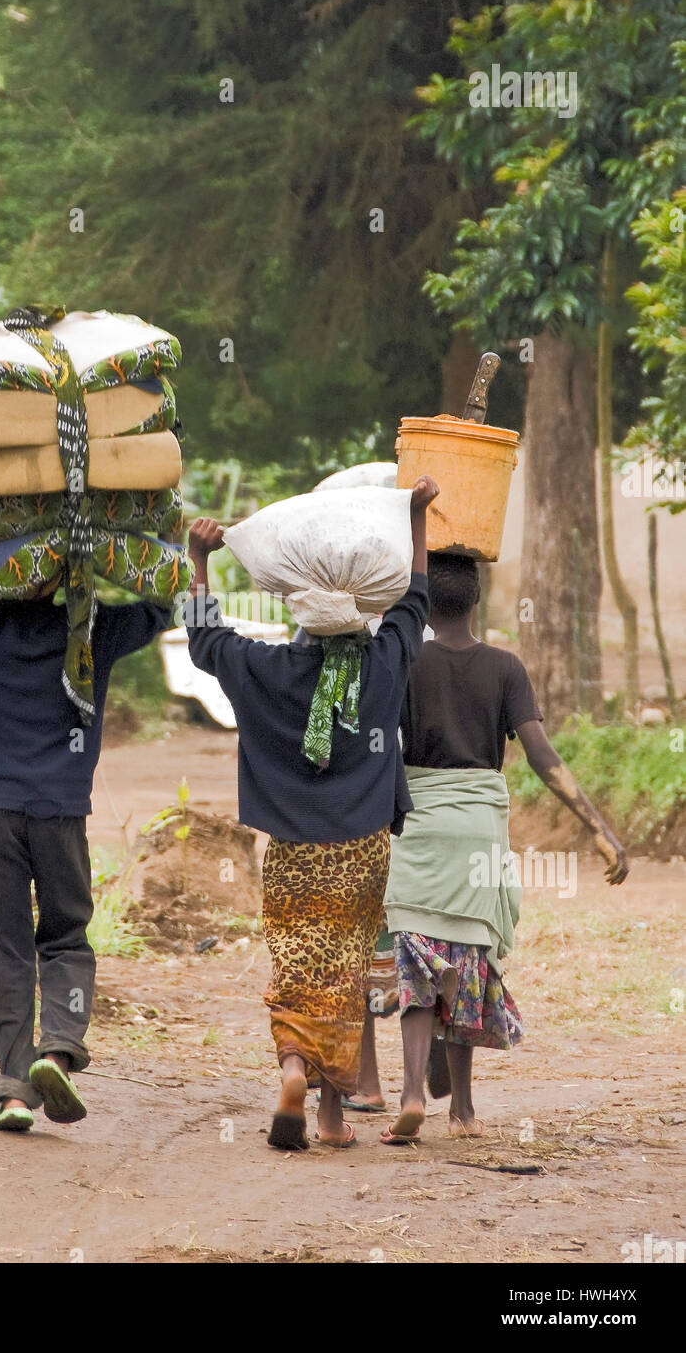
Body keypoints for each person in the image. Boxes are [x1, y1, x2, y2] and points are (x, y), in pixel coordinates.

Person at [0, 477, 172, 1132]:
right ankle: (60, 1046)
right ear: (58, 574)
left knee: (6, 949)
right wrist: (156, 526)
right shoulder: (91, 630)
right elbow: (161, 608)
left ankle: (16, 1091)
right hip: (60, 815)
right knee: (67, 939)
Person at [185, 478, 438, 1151]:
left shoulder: (261, 668)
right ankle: (329, 1119)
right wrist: (416, 517)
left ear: (297, 611)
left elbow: (206, 641)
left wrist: (200, 560)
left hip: (293, 851)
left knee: (299, 967)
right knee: (349, 973)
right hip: (362, 850)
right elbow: (415, 599)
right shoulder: (384, 662)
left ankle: (294, 1067)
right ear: (357, 613)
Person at [379, 551, 629, 1144]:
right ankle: (462, 1109)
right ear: (477, 599)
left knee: (416, 960)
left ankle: (413, 1092)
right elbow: (543, 756)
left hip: (420, 822)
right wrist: (597, 827)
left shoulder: (405, 659)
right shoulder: (506, 667)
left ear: (425, 602)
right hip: (477, 831)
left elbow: (379, 745)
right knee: (466, 965)